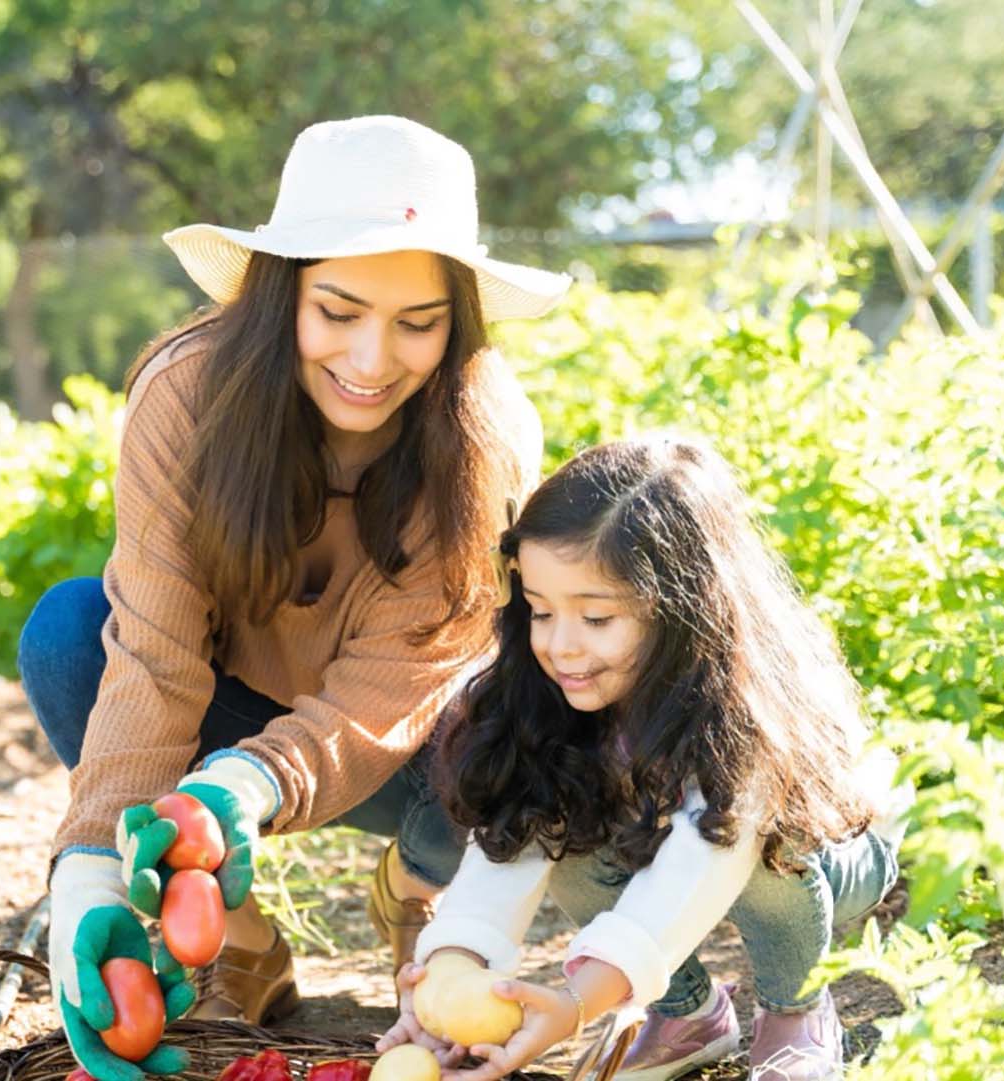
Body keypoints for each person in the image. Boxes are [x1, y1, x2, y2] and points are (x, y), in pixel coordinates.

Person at [19, 115, 571, 1081]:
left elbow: (405, 677)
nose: (371, 359)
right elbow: (154, 649)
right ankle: (232, 936)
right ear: (285, 293)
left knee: (519, 697)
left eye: (417, 322)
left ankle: (423, 886)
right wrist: (93, 866)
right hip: (226, 702)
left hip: (405, 743)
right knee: (69, 635)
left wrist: (247, 784)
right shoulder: (186, 397)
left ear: (459, 320)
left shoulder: (486, 439)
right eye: (339, 308)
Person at [377, 436, 908, 1081]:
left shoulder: (742, 717)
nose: (561, 646)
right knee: (568, 831)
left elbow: (702, 863)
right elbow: (510, 847)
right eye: (541, 612)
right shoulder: (550, 699)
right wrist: (452, 969)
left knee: (770, 849)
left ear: (684, 610)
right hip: (661, 836)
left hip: (823, 856)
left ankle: (795, 1011)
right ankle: (687, 1014)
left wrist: (576, 1005)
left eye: (596, 619)